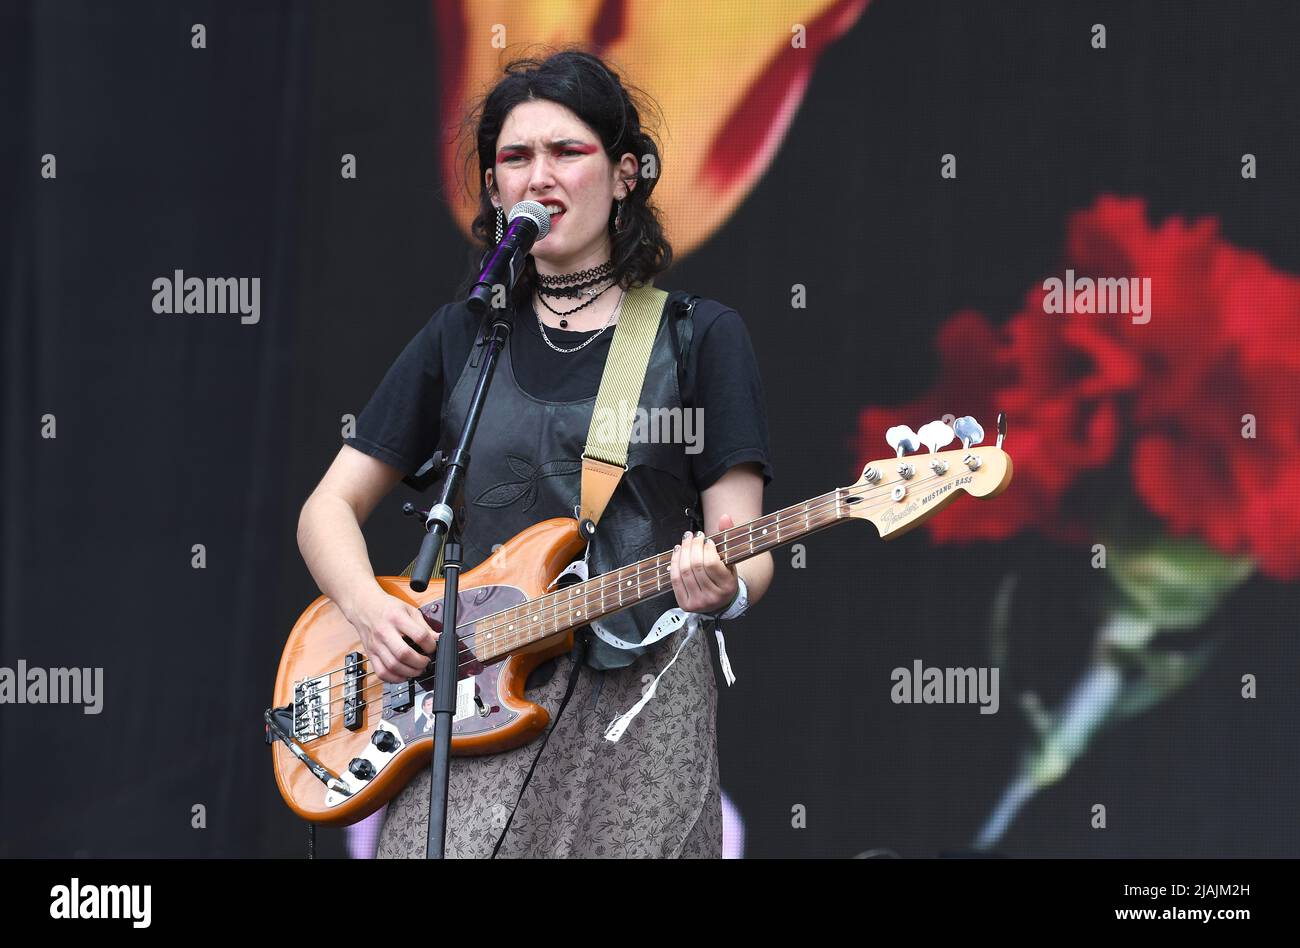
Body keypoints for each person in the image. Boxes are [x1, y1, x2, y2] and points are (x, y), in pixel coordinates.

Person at [296, 49, 774, 858]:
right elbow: (326, 510)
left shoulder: (697, 336)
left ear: (625, 175)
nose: (538, 175)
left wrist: (720, 583)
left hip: (638, 704)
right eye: (514, 158)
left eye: (567, 152)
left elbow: (747, 548)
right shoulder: (461, 338)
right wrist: (373, 615)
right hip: (472, 695)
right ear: (493, 189)